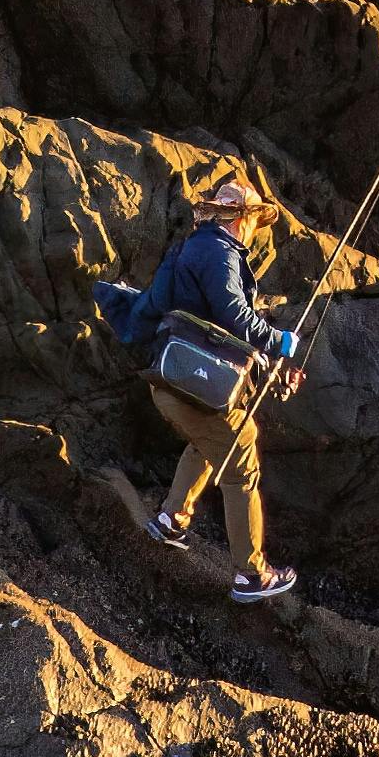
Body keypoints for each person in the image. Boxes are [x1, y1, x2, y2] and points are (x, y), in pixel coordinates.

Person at [114, 173, 300, 603]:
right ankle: (252, 576)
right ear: (240, 219)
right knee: (241, 460)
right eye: (252, 220)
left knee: (209, 440)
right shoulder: (219, 251)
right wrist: (279, 341)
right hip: (198, 384)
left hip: (172, 380)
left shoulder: (190, 248)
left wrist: (268, 360)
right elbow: (234, 315)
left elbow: (194, 319)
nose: (253, 229)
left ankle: (170, 519)